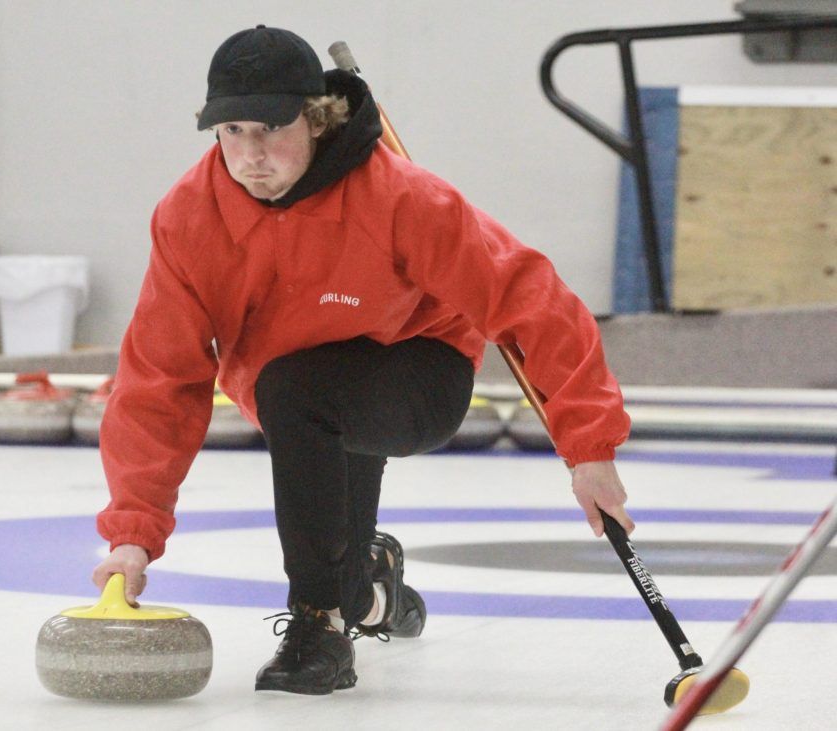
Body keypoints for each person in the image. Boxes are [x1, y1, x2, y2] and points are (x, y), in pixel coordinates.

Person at [92, 24, 633, 695]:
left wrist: (589, 448)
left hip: (412, 368)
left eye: (272, 128)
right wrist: (132, 532)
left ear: (317, 119)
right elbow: (159, 378)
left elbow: (531, 299)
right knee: (307, 431)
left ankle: (315, 623)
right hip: (301, 394)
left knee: (295, 392)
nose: (251, 154)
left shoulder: (399, 197)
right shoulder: (189, 217)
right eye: (232, 131)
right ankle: (372, 593)